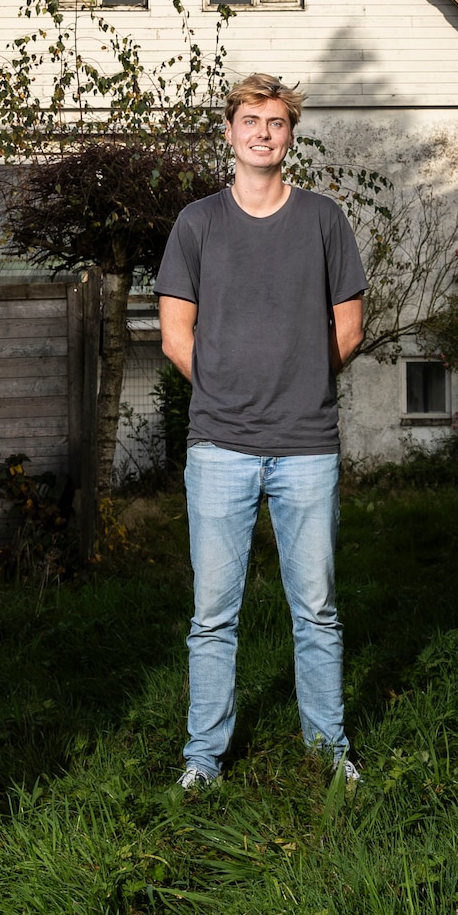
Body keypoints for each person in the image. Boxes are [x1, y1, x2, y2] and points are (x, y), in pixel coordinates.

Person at [156, 74, 368, 795]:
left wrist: (300, 380)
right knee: (213, 613)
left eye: (276, 122)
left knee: (316, 607)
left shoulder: (323, 220)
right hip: (220, 444)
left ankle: (327, 747)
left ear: (289, 134)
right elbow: (175, 335)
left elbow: (349, 326)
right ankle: (203, 758)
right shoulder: (198, 223)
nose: (263, 132)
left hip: (306, 442)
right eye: (251, 120)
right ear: (230, 131)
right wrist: (225, 389)